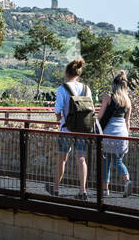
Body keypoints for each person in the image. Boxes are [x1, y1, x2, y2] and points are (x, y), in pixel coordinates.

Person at [48, 58, 94, 200]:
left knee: (62, 158)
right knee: (81, 158)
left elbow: (58, 109)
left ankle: (55, 189)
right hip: (82, 129)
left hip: (67, 128)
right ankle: (82, 191)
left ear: (67, 72)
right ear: (78, 73)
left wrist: (58, 119)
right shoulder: (86, 88)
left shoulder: (63, 88)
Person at [98, 71, 134, 197]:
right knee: (118, 160)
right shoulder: (128, 101)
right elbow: (127, 122)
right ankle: (126, 181)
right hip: (123, 134)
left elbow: (100, 116)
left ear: (114, 85)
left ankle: (105, 190)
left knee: (106, 160)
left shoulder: (108, 98)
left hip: (109, 134)